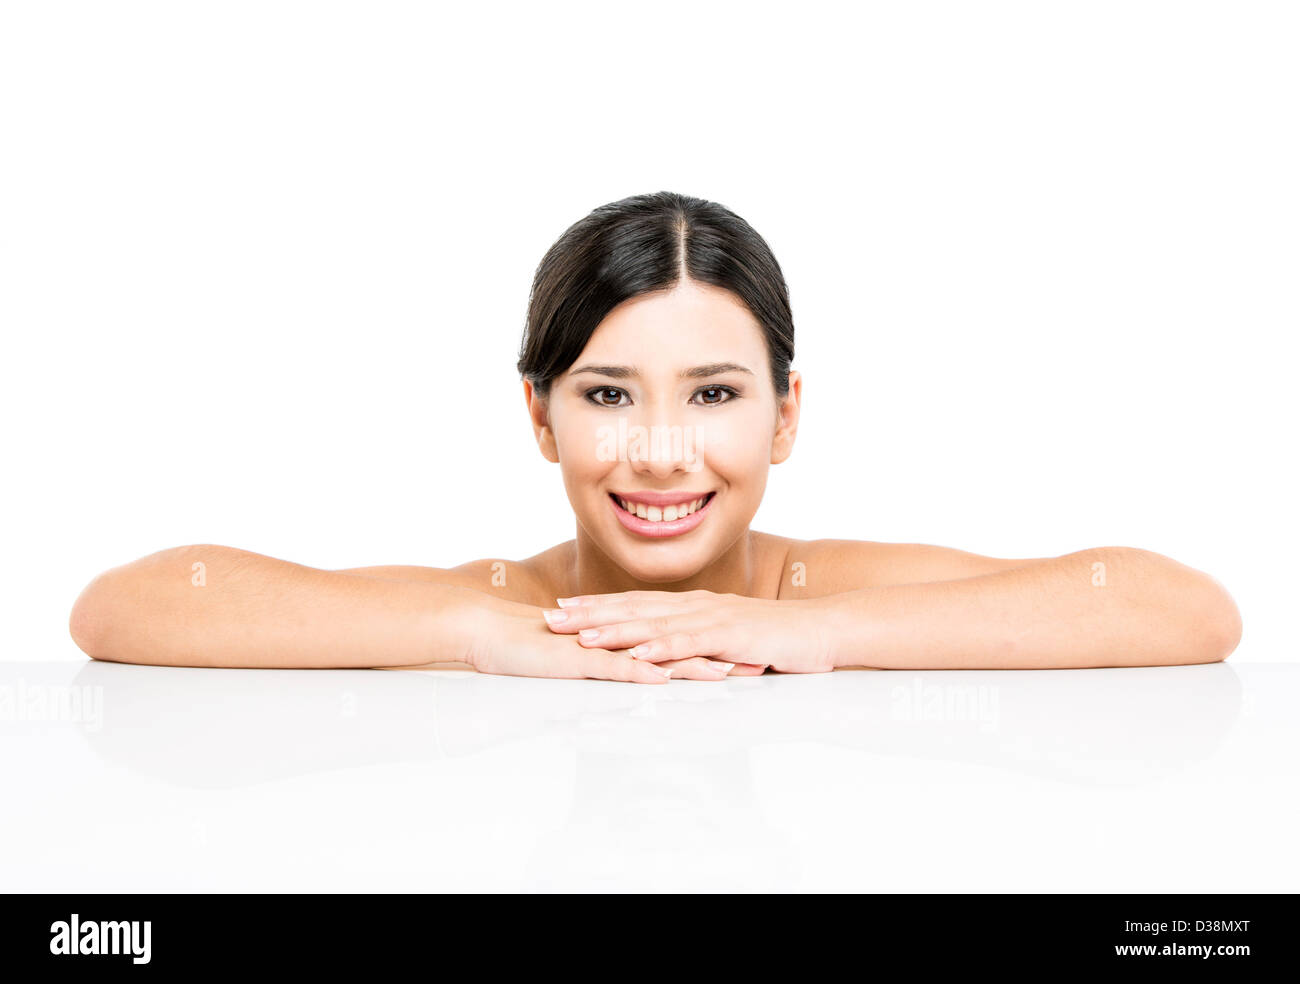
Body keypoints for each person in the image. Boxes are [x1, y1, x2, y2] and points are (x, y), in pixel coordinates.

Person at [68, 191, 1243, 682]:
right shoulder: (504, 601)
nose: (664, 453)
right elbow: (127, 606)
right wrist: (475, 633)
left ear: (788, 415)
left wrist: (803, 635)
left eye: (717, 395)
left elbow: (1176, 607)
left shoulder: (810, 588)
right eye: (609, 395)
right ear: (538, 415)